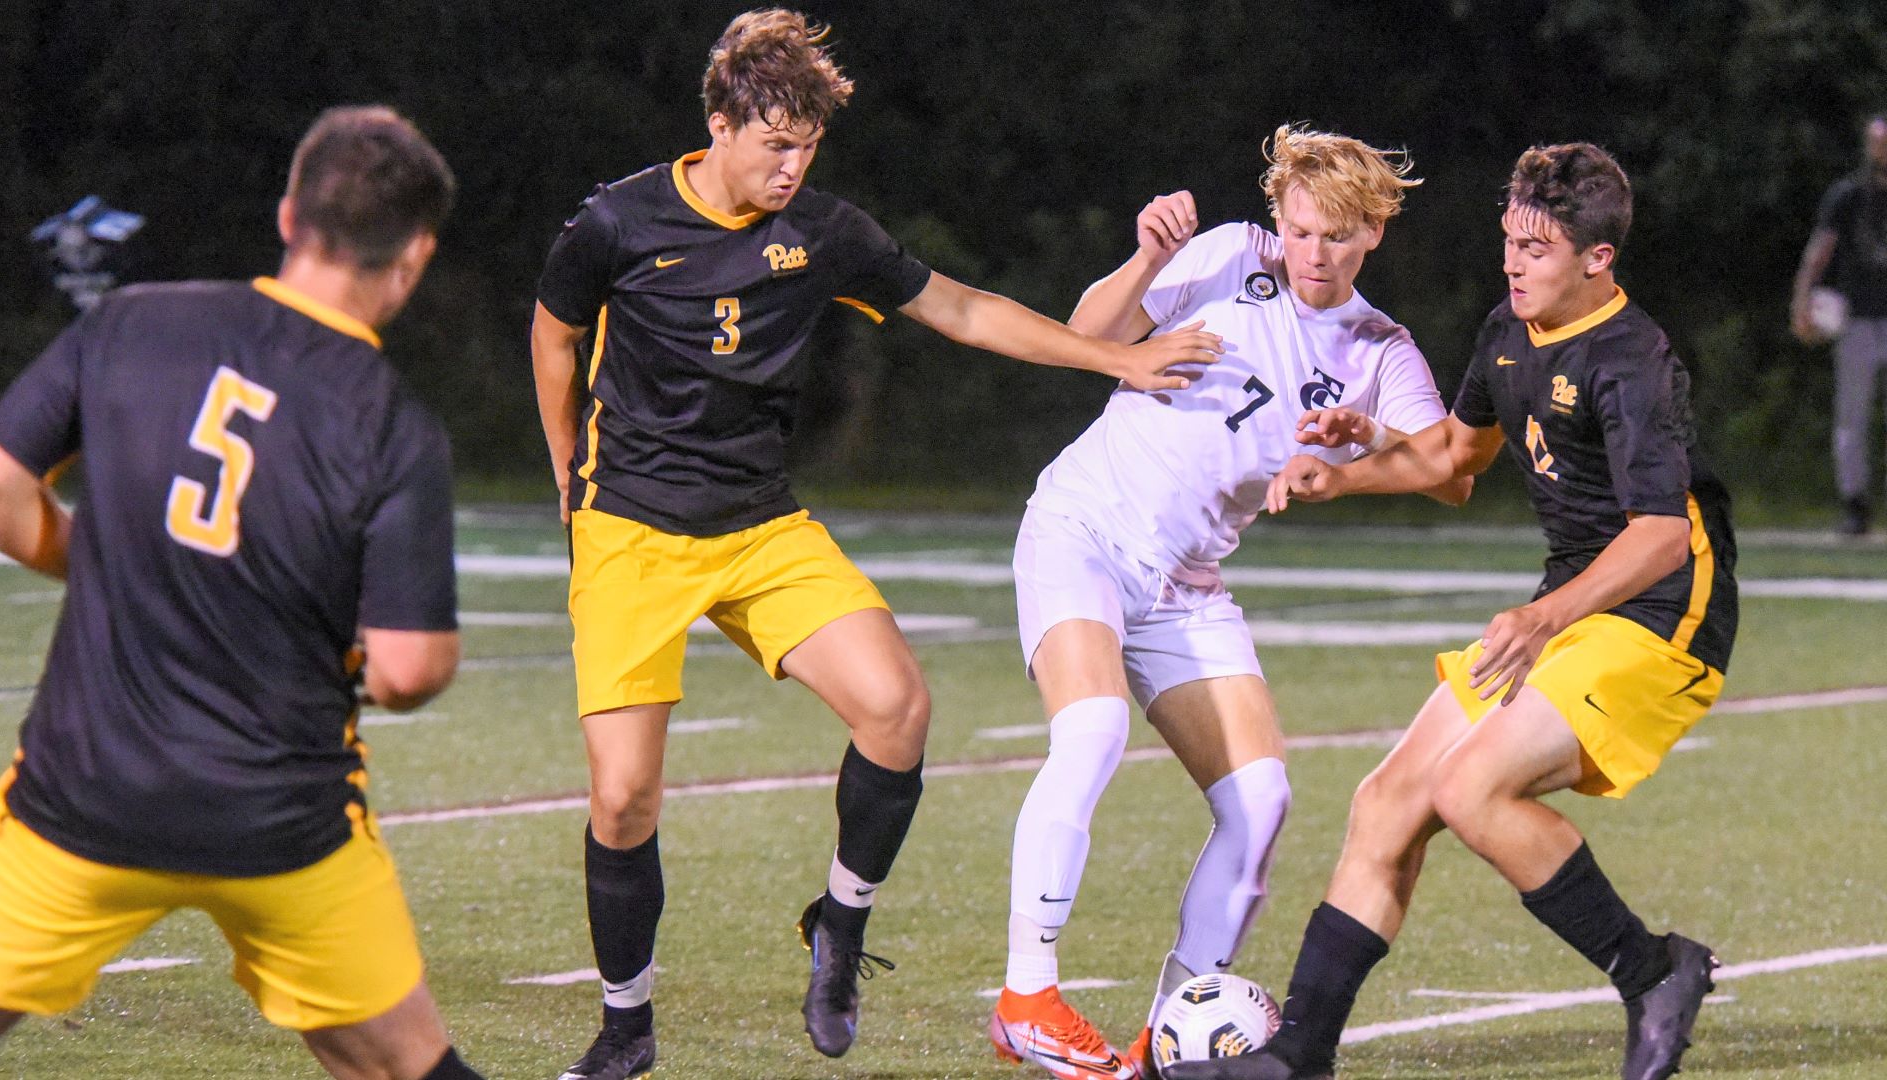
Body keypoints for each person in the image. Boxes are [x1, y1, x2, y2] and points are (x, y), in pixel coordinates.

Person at [526, 10, 1222, 1080]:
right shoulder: (617, 223)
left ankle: (839, 925)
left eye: (808, 146)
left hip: (760, 523)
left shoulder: (826, 230)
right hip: (632, 531)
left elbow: (964, 309)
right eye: (774, 144)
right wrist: (566, 469)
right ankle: (626, 1027)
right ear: (716, 125)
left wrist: (1107, 360)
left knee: (899, 708)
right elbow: (554, 329)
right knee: (621, 796)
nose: (793, 166)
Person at [1166, 143, 1738, 1080]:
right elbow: (1449, 464)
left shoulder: (1632, 361)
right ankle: (1299, 1056)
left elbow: (1662, 538)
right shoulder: (1505, 336)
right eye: (1510, 240)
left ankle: (1653, 970)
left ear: (1598, 259)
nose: (1514, 263)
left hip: (1661, 614)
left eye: (1539, 249)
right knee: (1386, 800)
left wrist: (1546, 615)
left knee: (1469, 788)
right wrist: (1347, 467)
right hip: (1575, 610)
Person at [0, 107, 484, 1080]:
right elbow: (410, 668)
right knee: (402, 1061)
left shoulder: (129, 321)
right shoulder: (394, 427)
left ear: (289, 216)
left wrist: (102, 553)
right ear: (412, 257)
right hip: (280, 821)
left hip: (83, 795)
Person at [987, 127, 1470, 1080]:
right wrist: (1147, 258)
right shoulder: (1226, 257)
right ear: (1277, 221)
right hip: (1082, 531)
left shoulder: (1380, 347)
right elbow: (1090, 333)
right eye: (1298, 231)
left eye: (1335, 236)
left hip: (1186, 586)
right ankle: (1026, 997)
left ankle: (1168, 1037)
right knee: (1089, 732)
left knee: (1260, 798)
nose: (1311, 255)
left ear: (1372, 232)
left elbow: (1448, 471)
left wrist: (1365, 434)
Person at [1791, 114, 1887, 536]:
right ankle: (1855, 505)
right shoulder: (1849, 196)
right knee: (1852, 416)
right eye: (1875, 142)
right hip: (1859, 319)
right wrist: (1801, 303)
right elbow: (1820, 251)